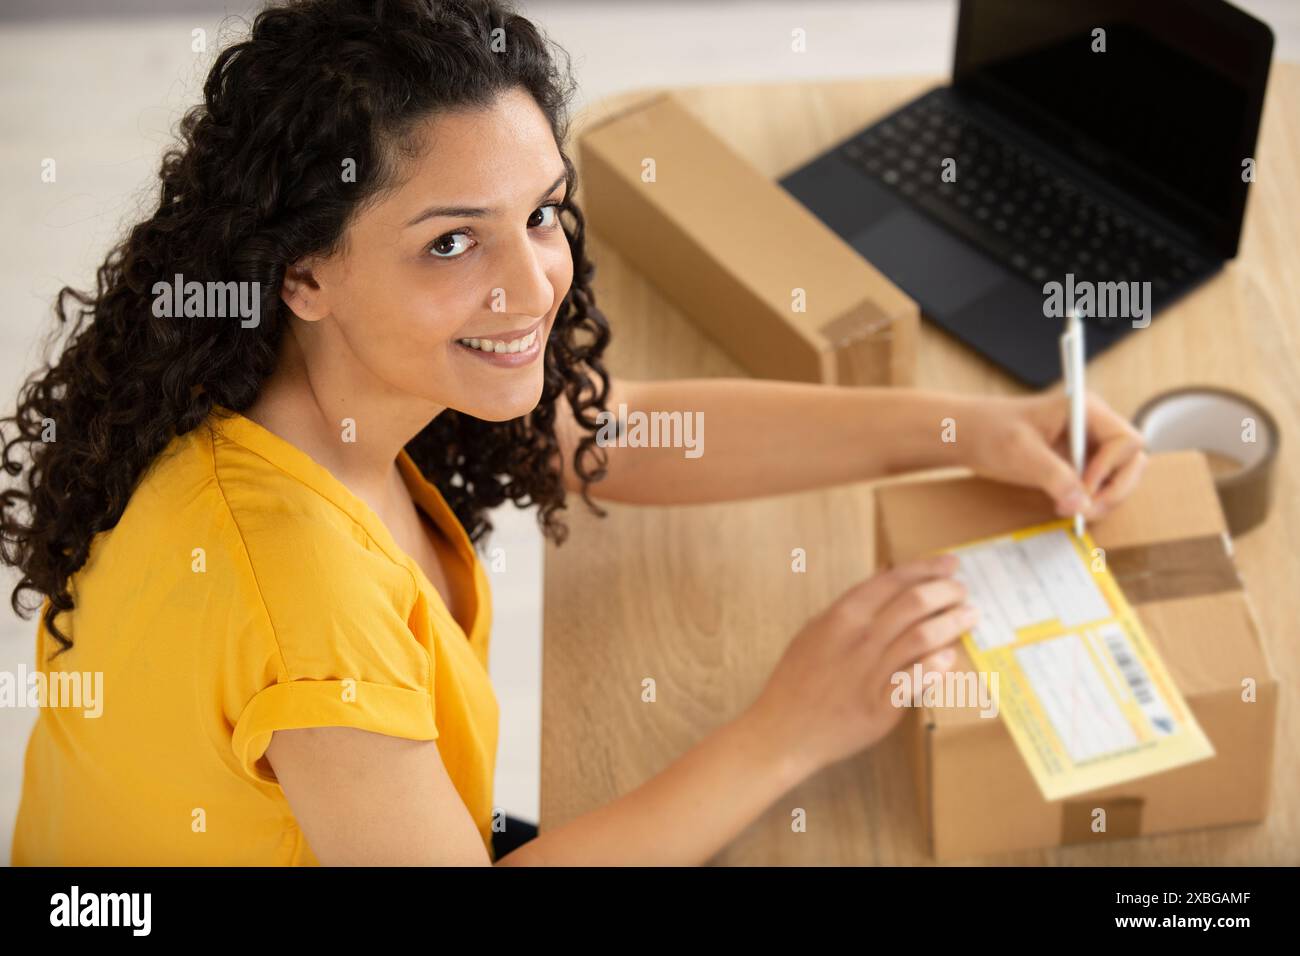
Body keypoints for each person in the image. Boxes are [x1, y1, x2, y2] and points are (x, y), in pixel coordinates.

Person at [1, 0, 1145, 866]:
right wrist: (787, 730)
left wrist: (975, 424)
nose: (533, 283)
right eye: (452, 242)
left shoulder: (295, 378)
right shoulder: (300, 604)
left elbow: (614, 429)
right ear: (303, 268)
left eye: (540, 212)